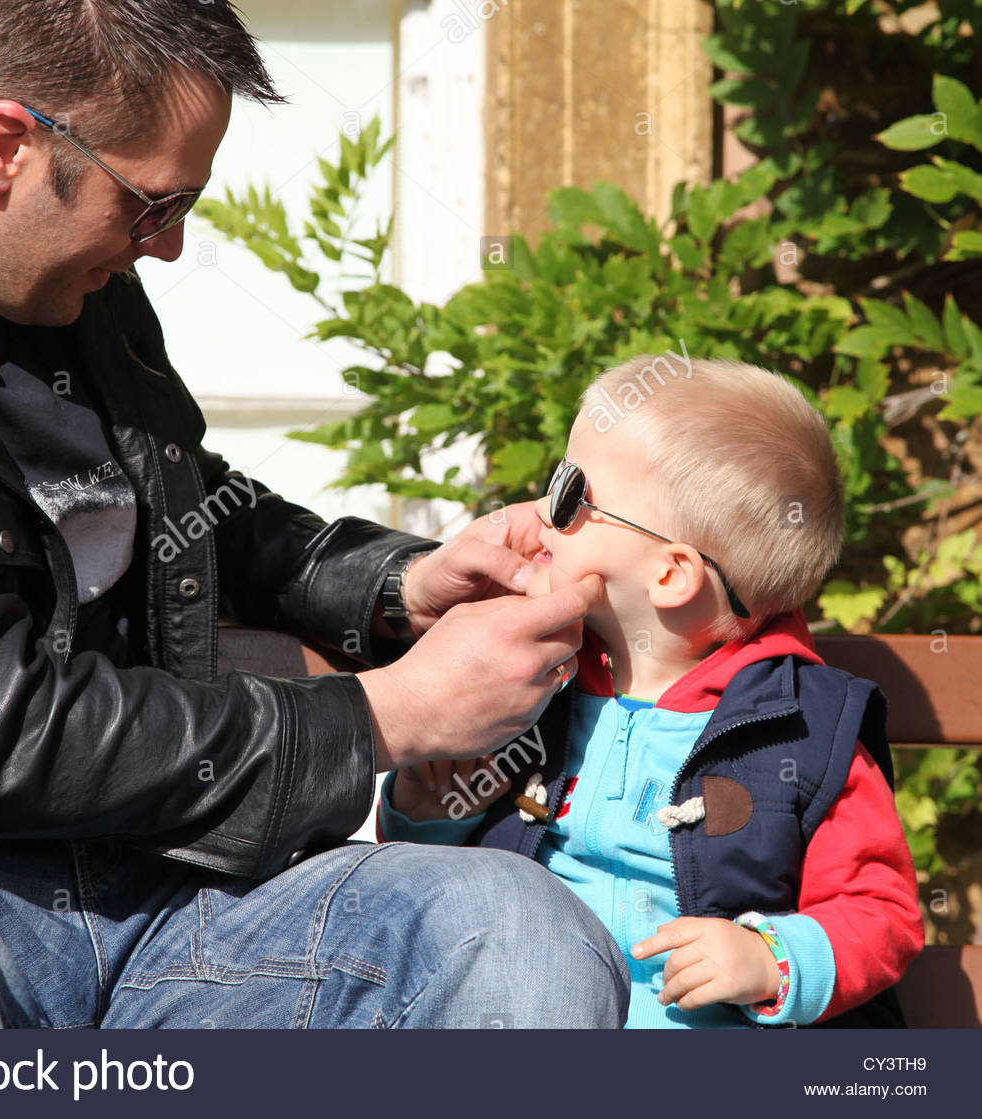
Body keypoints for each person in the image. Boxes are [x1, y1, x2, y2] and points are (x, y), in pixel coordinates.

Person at [0, 0, 630, 1029]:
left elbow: (180, 506)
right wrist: (387, 716)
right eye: (150, 204)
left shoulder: (61, 283)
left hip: (162, 881)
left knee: (513, 930)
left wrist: (402, 586)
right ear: (4, 145)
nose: (167, 247)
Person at [380, 355, 924, 1028]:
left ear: (670, 575)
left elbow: (881, 911)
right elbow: (440, 880)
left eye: (573, 494)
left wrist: (771, 960)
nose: (544, 509)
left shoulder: (804, 730)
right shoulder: (531, 678)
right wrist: (427, 809)